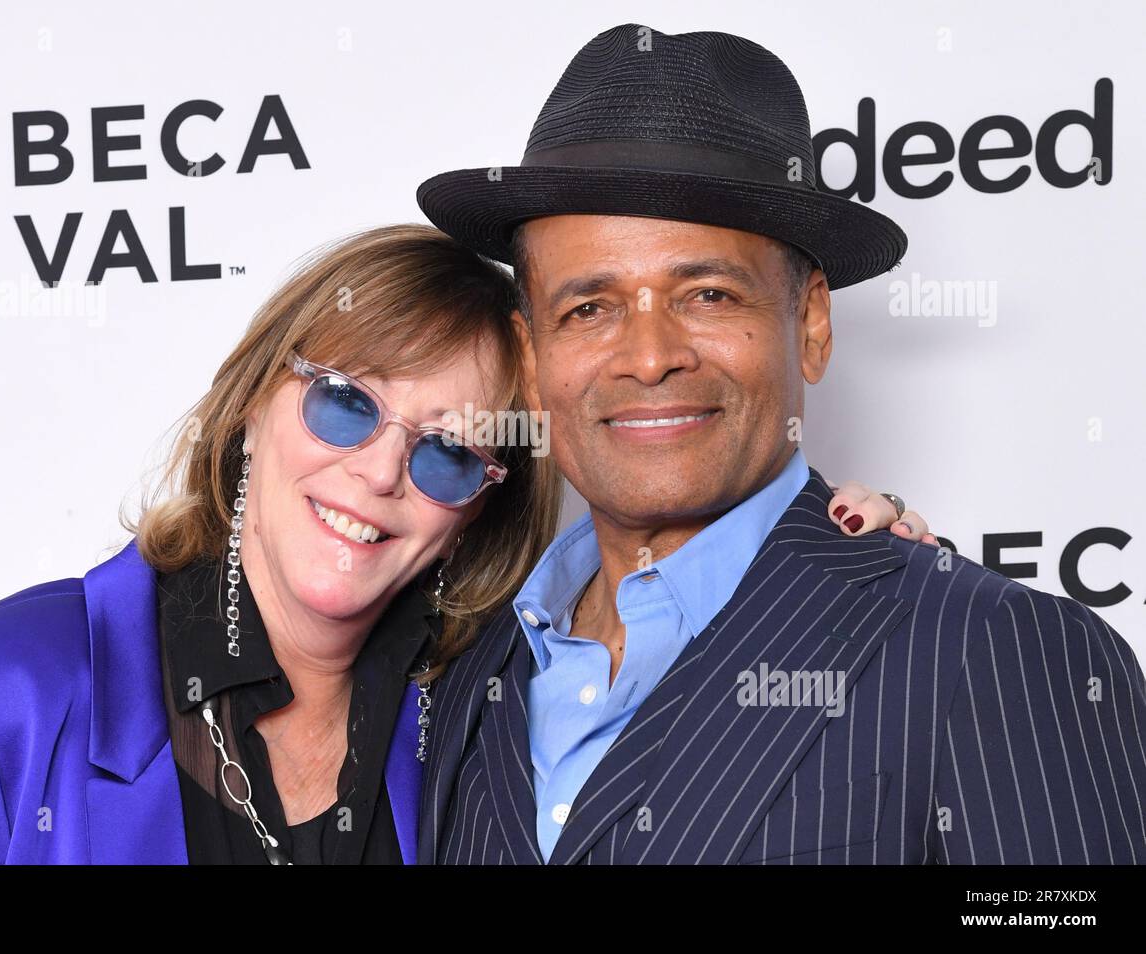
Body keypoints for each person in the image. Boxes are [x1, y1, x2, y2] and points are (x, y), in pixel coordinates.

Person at [0, 222, 926, 865]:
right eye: (343, 406)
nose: (380, 471)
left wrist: (829, 549)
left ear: (479, 504)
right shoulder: (1, 687)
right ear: (249, 408)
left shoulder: (496, 704)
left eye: (447, 456)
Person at [414, 23, 1146, 864]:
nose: (651, 358)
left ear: (811, 323)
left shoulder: (995, 654)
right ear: (534, 359)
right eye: (590, 308)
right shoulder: (466, 679)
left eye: (710, 295)